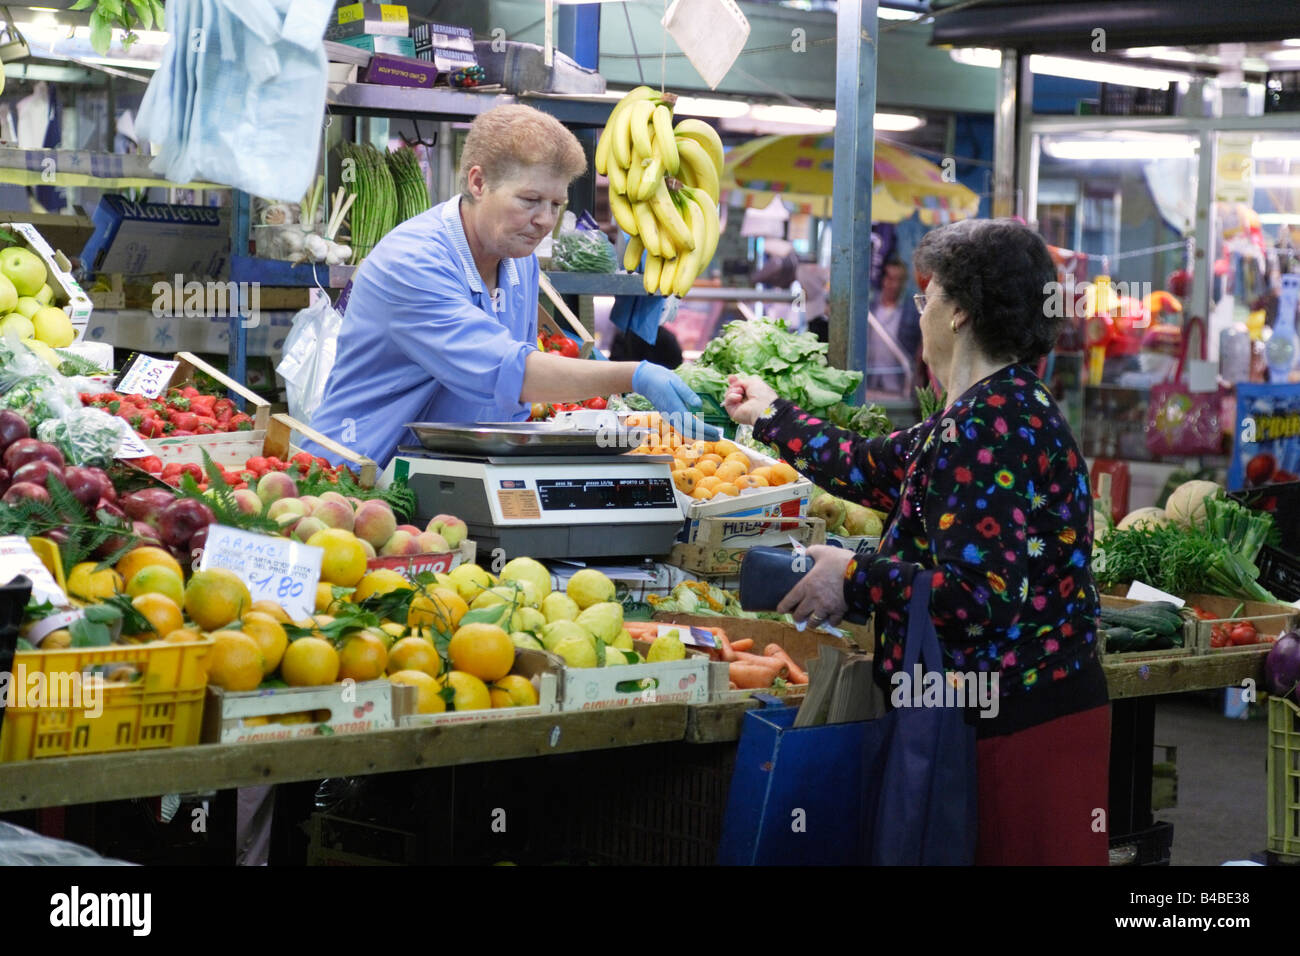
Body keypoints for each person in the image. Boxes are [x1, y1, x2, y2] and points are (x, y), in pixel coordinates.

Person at [723, 218, 1109, 866]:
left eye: (927, 296)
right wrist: (769, 414)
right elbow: (873, 465)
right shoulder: (991, 408)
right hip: (1013, 713)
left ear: (958, 312)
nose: (919, 309)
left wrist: (851, 577)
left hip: (1018, 724)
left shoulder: (990, 425)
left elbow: (976, 599)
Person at [303, 104, 715, 467]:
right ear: (478, 183)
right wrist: (633, 375)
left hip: (445, 477)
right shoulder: (412, 262)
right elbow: (507, 371)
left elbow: (506, 404)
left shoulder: (519, 263)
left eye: (556, 204)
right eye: (530, 199)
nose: (545, 220)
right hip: (356, 480)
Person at [866, 257, 922, 394]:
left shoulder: (912, 311)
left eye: (900, 280)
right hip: (869, 382)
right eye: (891, 278)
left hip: (900, 385)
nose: (895, 285)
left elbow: (921, 348)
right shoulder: (869, 309)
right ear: (882, 279)